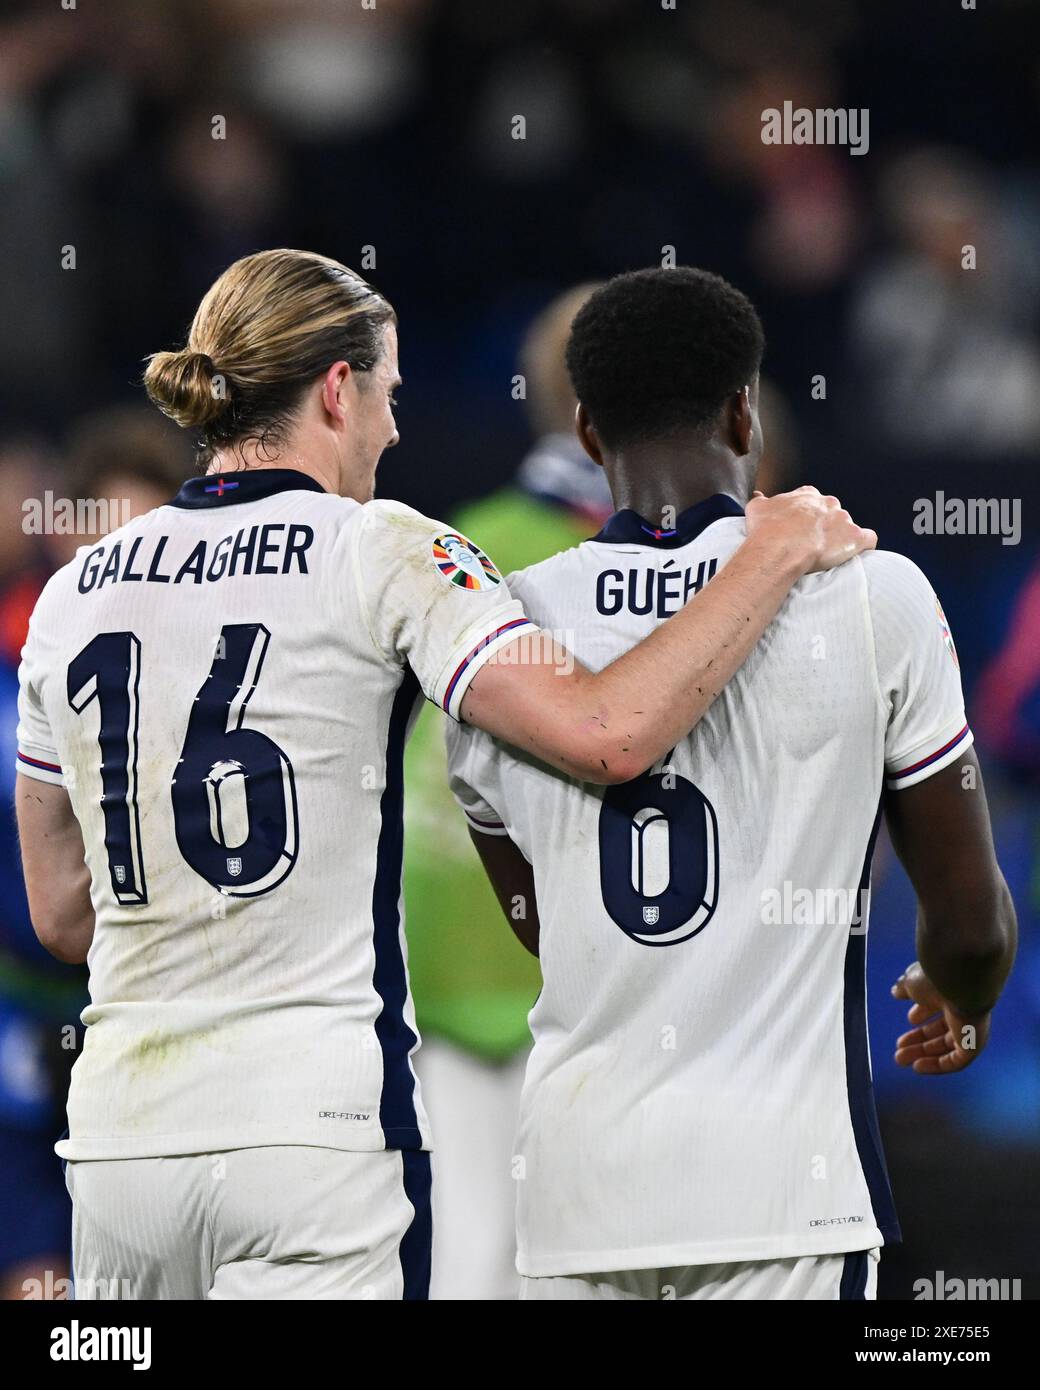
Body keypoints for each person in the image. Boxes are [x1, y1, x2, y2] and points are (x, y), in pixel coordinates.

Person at [14, 249, 874, 1302]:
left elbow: (62, 912)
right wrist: (768, 556)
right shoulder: (379, 548)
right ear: (338, 390)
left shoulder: (73, 595)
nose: (393, 429)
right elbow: (607, 734)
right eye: (389, 394)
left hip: (118, 1151)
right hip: (313, 1145)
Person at [446, 266, 1018, 1301]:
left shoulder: (496, 631)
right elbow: (970, 923)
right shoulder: (873, 595)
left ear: (584, 431)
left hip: (577, 1192)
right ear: (745, 414)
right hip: (784, 1192)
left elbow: (543, 922)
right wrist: (960, 991)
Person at [403, 284, 612, 1299]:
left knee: (466, 1260)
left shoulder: (460, 538)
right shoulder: (644, 571)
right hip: (574, 975)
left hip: (431, 961)